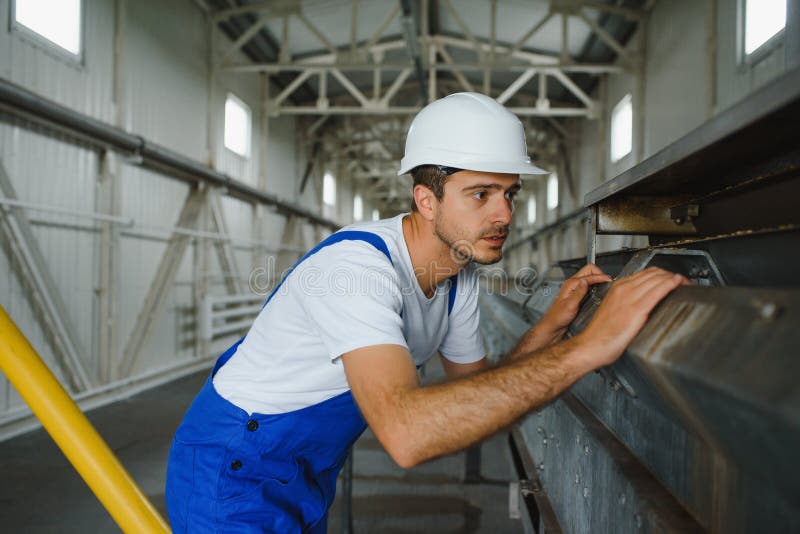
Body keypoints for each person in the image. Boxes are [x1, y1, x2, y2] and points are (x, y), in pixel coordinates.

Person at [165, 92, 687, 533]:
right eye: (480, 194)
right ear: (426, 200)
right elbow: (408, 436)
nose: (503, 214)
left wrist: (552, 327)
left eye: (509, 194)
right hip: (235, 463)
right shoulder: (357, 269)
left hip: (302, 469)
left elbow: (480, 395)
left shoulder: (458, 277)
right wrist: (587, 349)